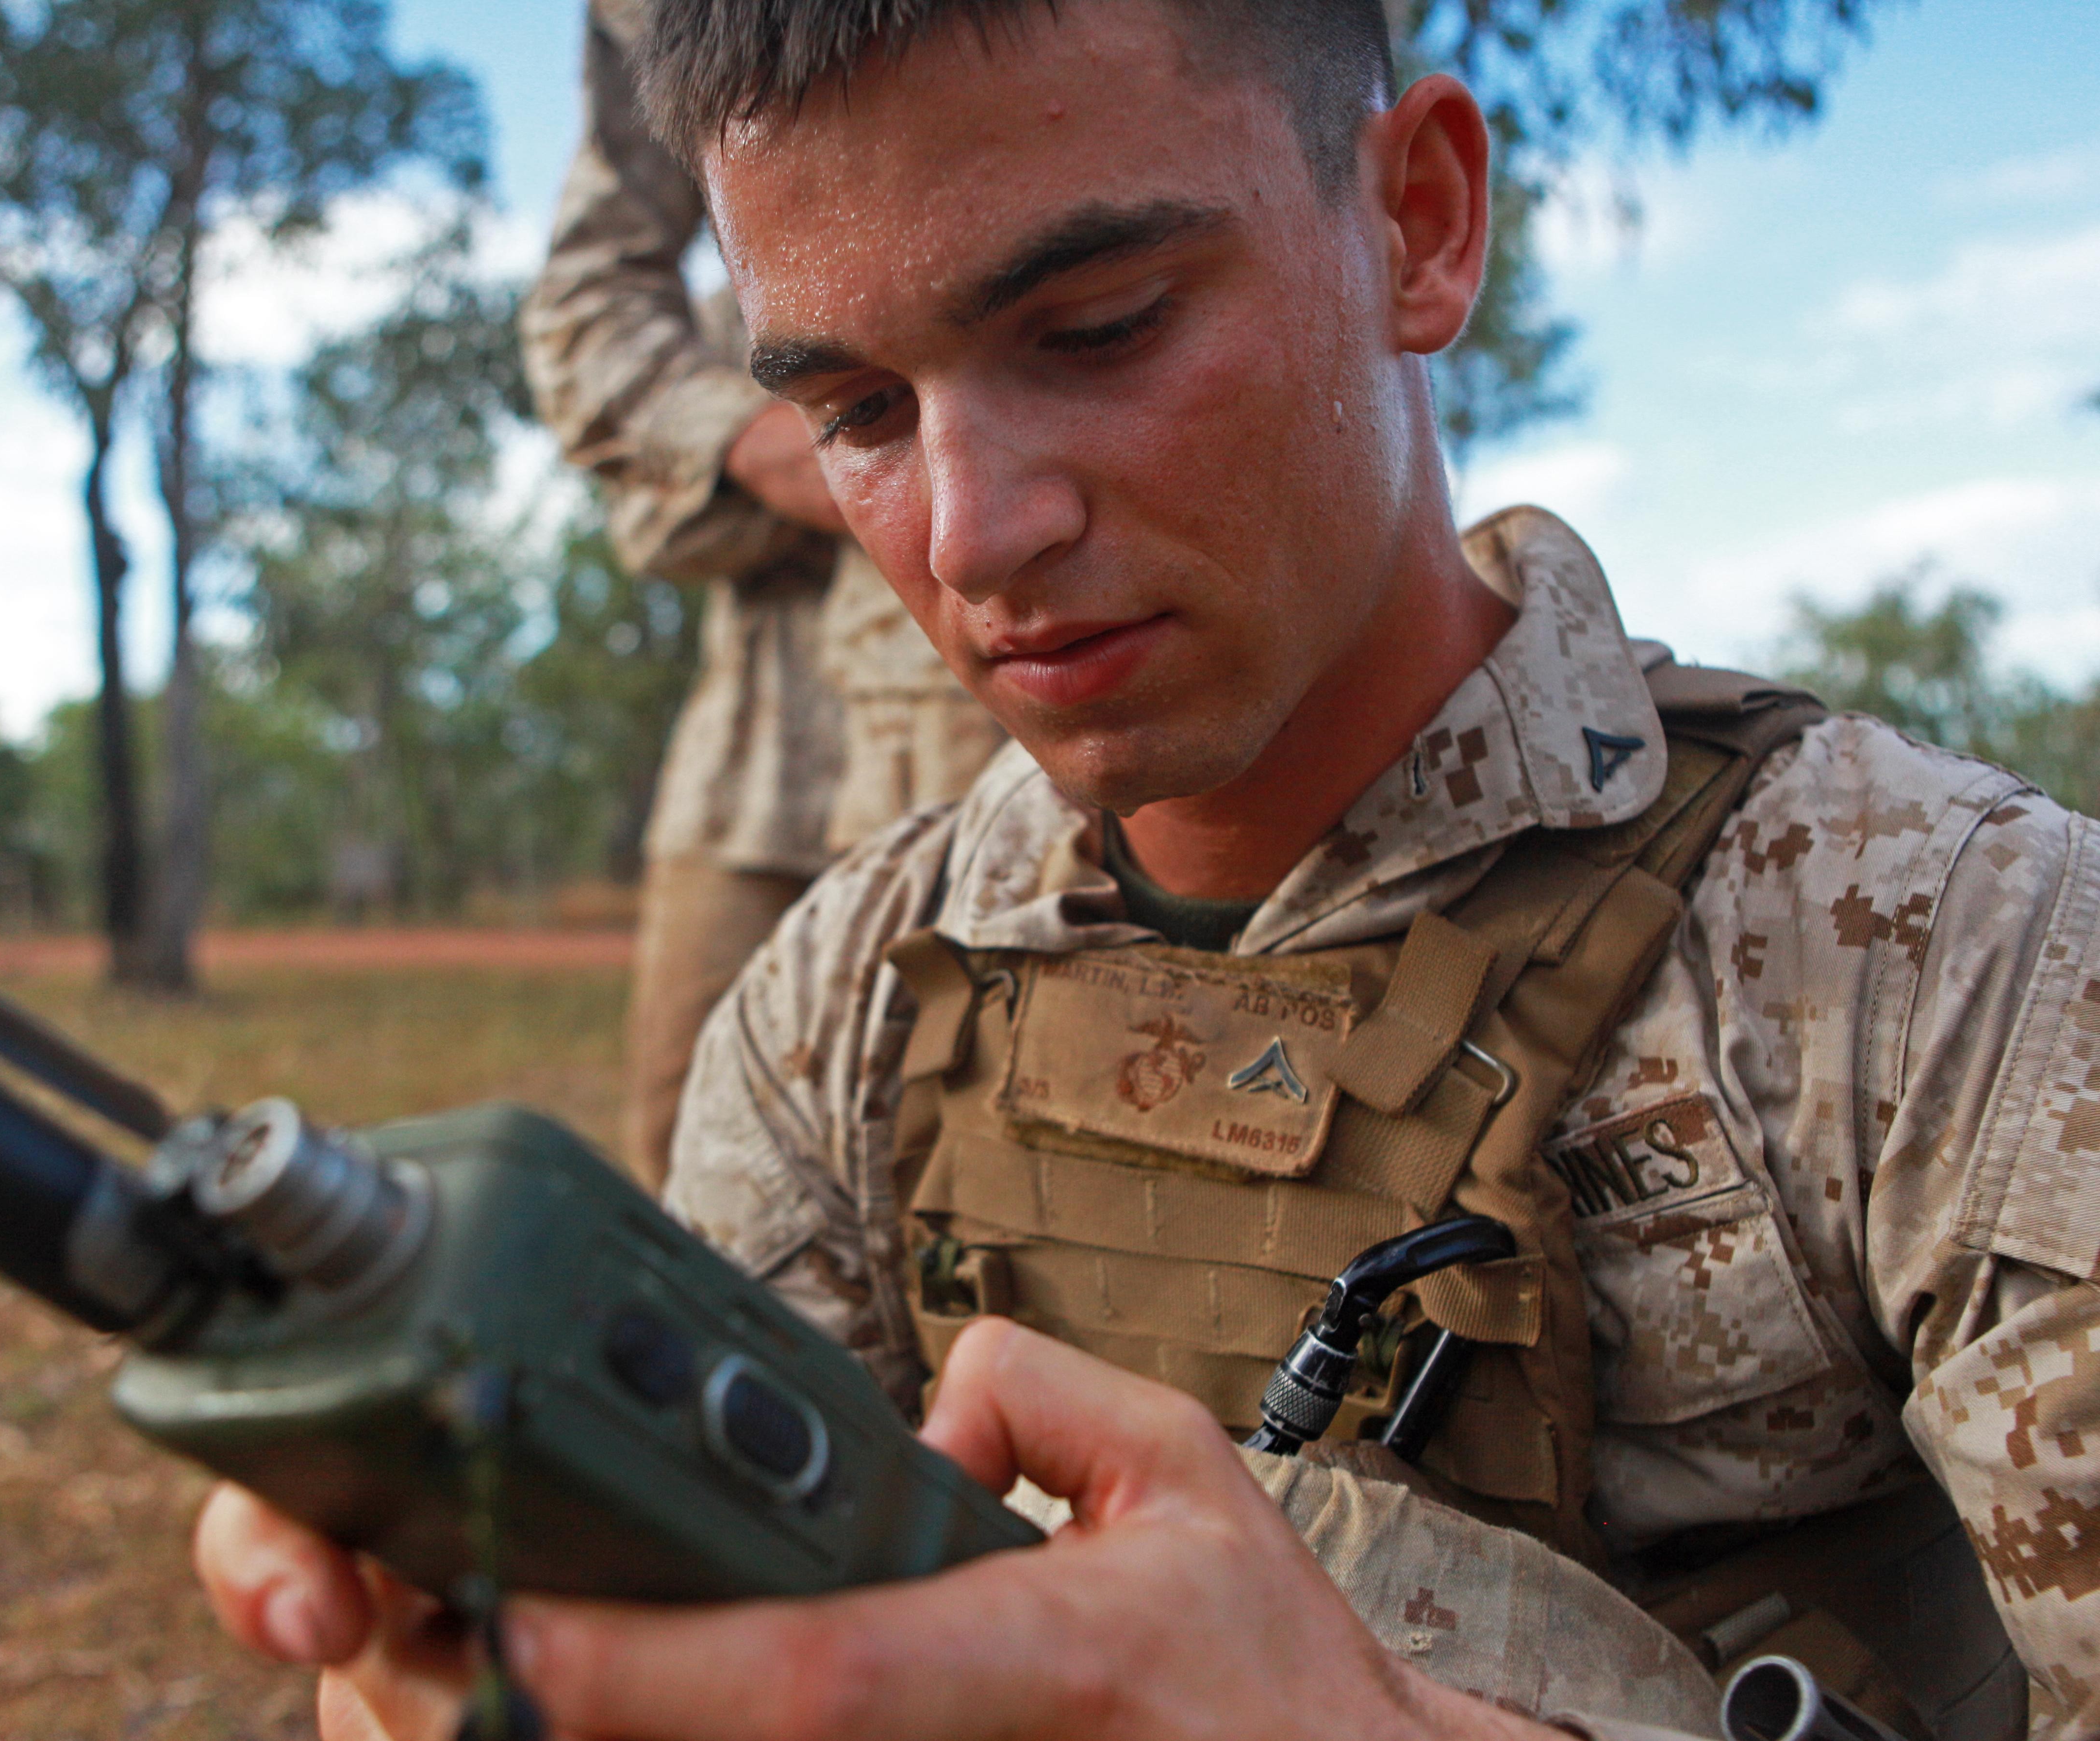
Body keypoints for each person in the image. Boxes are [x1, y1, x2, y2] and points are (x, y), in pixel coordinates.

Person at [199, 1, 2100, 1735]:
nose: (972, 531)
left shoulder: (1938, 951)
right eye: (856, 413)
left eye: (1099, 328)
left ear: (1420, 222)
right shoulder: (844, 1006)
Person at [520, 0, 1004, 1193]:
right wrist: (750, 443)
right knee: (689, 1167)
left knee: (955, 1154)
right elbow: (588, 318)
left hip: (970, 702)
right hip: (754, 745)